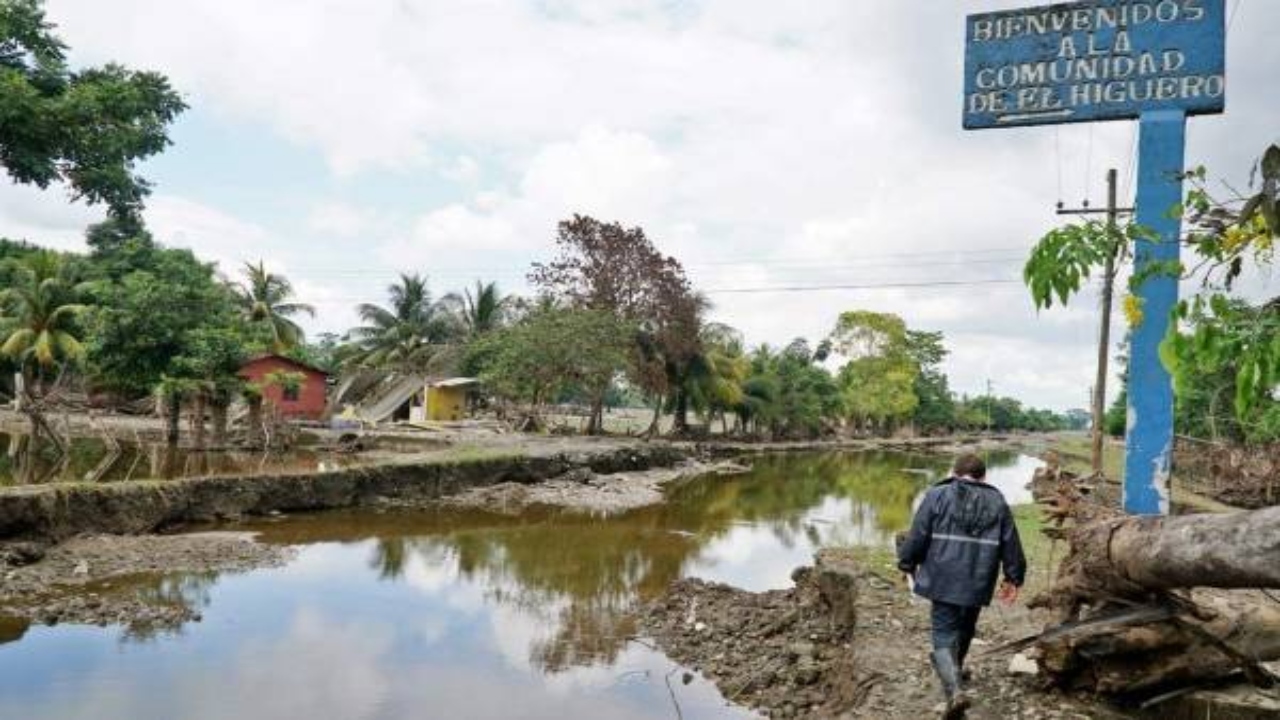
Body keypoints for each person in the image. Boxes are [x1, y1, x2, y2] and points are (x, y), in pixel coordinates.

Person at [896, 453, 1026, 719]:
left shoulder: (937, 495)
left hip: (943, 577)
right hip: (978, 579)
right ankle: (956, 669)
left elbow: (918, 532)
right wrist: (1014, 577)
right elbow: (1011, 541)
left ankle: (954, 691)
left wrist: (906, 562)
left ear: (954, 474)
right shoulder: (998, 500)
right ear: (983, 477)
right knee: (966, 625)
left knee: (943, 631)